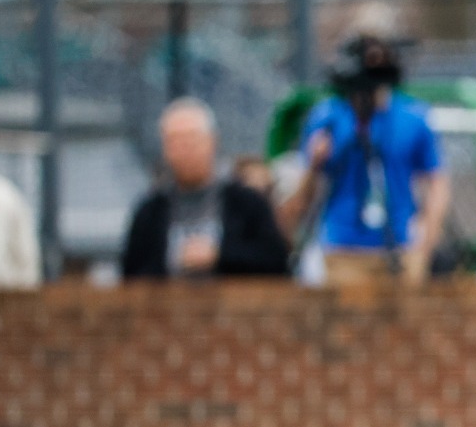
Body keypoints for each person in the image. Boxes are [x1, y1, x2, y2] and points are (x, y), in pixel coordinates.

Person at [278, 34, 449, 286]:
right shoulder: (329, 116)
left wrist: (426, 242)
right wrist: (314, 164)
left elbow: (437, 182)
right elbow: (304, 195)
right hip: (343, 248)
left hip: (400, 247)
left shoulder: (413, 117)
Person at [121, 98, 291, 280]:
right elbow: (130, 276)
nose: (184, 150)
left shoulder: (246, 204)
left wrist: (220, 255)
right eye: (175, 142)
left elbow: (276, 262)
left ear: (212, 141)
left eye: (191, 140)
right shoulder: (150, 213)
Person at [0, 152, 39, 288]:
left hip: (1, 292)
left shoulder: (3, 199)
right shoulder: (6, 194)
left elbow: (24, 255)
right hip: (4, 292)